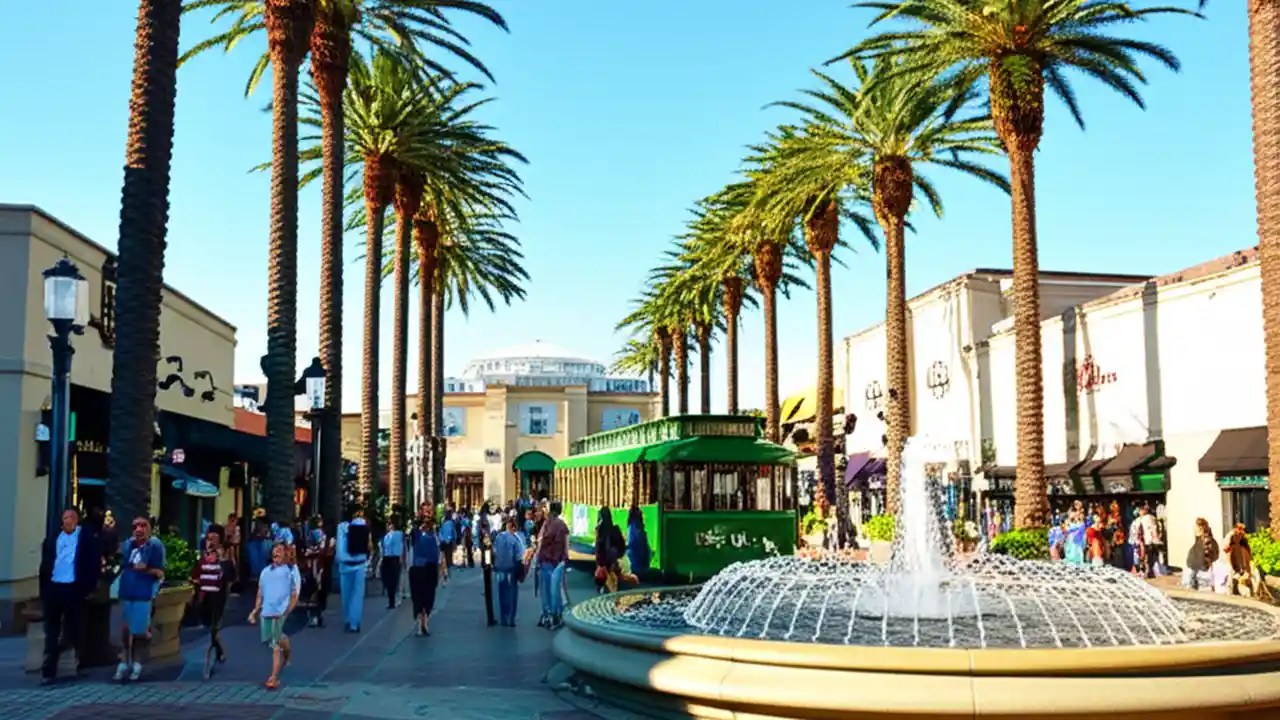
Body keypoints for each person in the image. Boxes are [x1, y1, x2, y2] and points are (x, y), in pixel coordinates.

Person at [38, 507, 101, 684]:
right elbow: (46, 564)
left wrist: (87, 587)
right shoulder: (53, 538)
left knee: (75, 628)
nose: (68, 521)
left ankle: (75, 664)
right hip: (54, 587)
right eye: (65, 518)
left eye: (71, 517)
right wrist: (44, 589)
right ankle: (49, 670)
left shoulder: (85, 537)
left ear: (77, 520)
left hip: (74, 588)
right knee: (51, 630)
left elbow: (92, 562)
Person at [114, 516, 165, 682]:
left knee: (140, 631)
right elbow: (123, 565)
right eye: (135, 526)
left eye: (143, 526)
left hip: (143, 593)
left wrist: (147, 569)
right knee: (125, 630)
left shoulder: (154, 545)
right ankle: (124, 661)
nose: (139, 530)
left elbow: (159, 571)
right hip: (127, 591)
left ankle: (137, 663)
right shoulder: (128, 545)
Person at [249, 543, 301, 691]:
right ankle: (287, 651)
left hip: (280, 612)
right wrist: (255, 610)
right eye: (275, 550)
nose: (276, 553)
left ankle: (273, 678)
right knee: (271, 639)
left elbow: (294, 594)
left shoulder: (289, 572)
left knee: (275, 644)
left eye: (280, 550)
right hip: (267, 611)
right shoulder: (265, 572)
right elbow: (260, 593)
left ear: (285, 555)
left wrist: (288, 610)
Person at [191, 524, 236, 678]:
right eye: (209, 538)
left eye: (214, 538)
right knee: (209, 626)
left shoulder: (226, 553)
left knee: (214, 627)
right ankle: (219, 651)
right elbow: (197, 572)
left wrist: (222, 560)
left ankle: (208, 663)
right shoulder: (203, 554)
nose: (211, 541)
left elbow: (231, 575)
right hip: (205, 594)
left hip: (219, 595)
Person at [409, 515, 446, 636]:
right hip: (429, 569)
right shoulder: (435, 537)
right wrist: (443, 572)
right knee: (428, 597)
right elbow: (440, 555)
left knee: (418, 598)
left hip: (418, 569)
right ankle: (424, 623)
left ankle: (421, 625)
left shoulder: (417, 536)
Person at [336, 509, 371, 633]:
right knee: (357, 595)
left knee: (346, 595)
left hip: (345, 566)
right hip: (360, 564)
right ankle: (354, 623)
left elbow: (339, 550)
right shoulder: (364, 526)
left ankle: (347, 619)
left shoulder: (342, 527)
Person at [536, 501, 570, 629]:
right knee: (555, 589)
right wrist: (565, 559)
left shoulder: (546, 523)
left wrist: (537, 559)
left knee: (545, 589)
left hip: (545, 560)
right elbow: (566, 547)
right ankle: (557, 615)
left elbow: (540, 541)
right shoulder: (563, 526)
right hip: (558, 561)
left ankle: (547, 615)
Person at [493, 516, 527, 627]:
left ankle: (503, 617)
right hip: (511, 569)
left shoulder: (499, 537)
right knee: (512, 593)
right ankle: (511, 618)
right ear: (514, 527)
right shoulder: (515, 539)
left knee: (502, 593)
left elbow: (494, 551)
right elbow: (519, 556)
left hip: (499, 568)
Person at [1181, 518, 1217, 592]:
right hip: (1196, 565)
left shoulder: (1207, 540)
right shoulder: (1200, 540)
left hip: (1201, 566)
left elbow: (1213, 553)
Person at [476, 502, 497, 627]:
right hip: (487, 556)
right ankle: (490, 617)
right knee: (488, 588)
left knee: (488, 588)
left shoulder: (481, 522)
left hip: (486, 556)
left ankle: (491, 616)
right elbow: (487, 543)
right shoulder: (484, 524)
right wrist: (490, 562)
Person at [380, 518, 405, 609]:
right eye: (387, 524)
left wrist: (401, 558)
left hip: (394, 559)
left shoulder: (397, 534)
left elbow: (400, 547)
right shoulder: (386, 537)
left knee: (393, 580)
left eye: (390, 524)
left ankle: (393, 601)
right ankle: (392, 601)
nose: (388, 526)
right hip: (387, 559)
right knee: (389, 580)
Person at [626, 505, 651, 576]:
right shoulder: (641, 529)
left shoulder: (632, 527)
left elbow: (631, 544)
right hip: (643, 567)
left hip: (634, 568)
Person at [225, 513, 242, 585]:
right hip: (228, 549)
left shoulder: (237, 529)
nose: (233, 523)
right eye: (232, 521)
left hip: (235, 549)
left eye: (235, 521)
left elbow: (238, 540)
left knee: (235, 562)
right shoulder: (226, 528)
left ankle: (235, 577)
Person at [439, 511, 457, 576]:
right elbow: (453, 532)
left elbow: (440, 532)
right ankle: (449, 573)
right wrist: (453, 539)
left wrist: (442, 539)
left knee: (443, 556)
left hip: (443, 542)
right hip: (449, 542)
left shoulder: (443, 522)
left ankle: (443, 572)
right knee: (449, 556)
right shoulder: (451, 523)